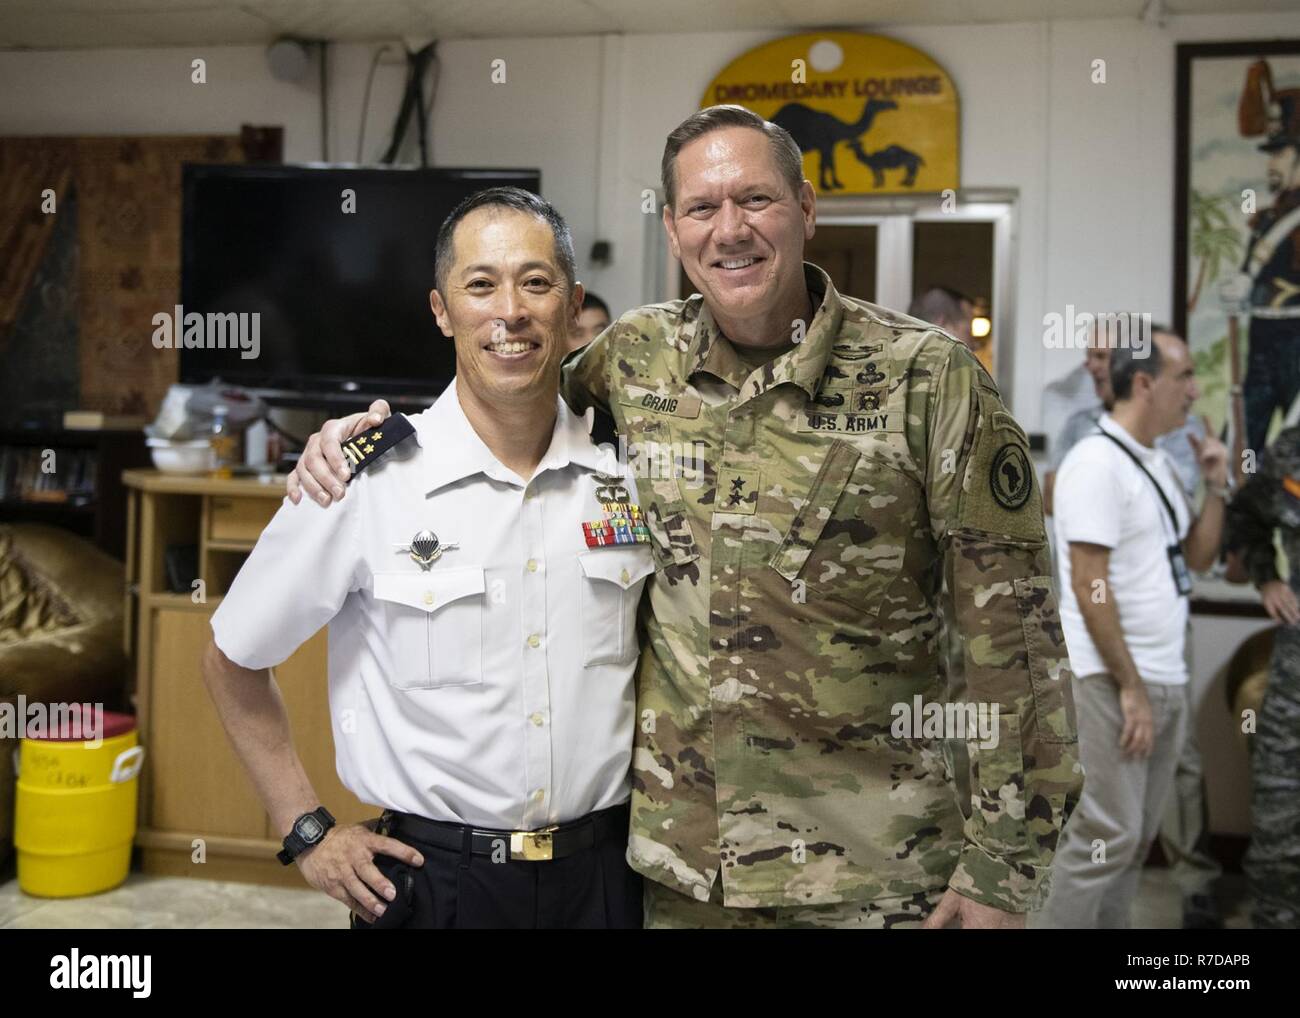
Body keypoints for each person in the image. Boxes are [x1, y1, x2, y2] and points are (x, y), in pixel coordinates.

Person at [292, 105, 1081, 929]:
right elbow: (501, 401)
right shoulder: (633, 362)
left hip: (874, 879)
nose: (729, 229)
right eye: (703, 209)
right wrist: (367, 439)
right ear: (672, 231)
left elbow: (1016, 643)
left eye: (757, 201)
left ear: (807, 210)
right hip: (678, 881)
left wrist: (1004, 867)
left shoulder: (930, 381)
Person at [202, 188, 649, 929]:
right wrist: (306, 831)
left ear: (572, 309)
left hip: (604, 881)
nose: (510, 311)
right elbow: (231, 657)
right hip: (437, 888)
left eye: (535, 283)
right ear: (442, 310)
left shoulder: (628, 470)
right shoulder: (362, 478)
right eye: (481, 285)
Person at [1041, 332, 1229, 928]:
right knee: (1101, 838)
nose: (1195, 391)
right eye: (1186, 376)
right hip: (1114, 678)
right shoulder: (1096, 462)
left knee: (1128, 845)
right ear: (1145, 383)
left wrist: (1217, 485)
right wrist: (1129, 686)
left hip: (1162, 673)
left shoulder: (1155, 460)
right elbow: (1089, 584)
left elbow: (1195, 560)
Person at [1223, 422, 1300, 929]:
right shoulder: (1293, 451)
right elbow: (1245, 513)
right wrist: (1266, 576)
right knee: (1279, 817)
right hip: (1296, 681)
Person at [1221, 63, 1300, 458]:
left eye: (1280, 153)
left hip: (1296, 341)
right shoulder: (1269, 219)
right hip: (1263, 338)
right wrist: (1241, 287)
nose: (1272, 164)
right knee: (1241, 441)